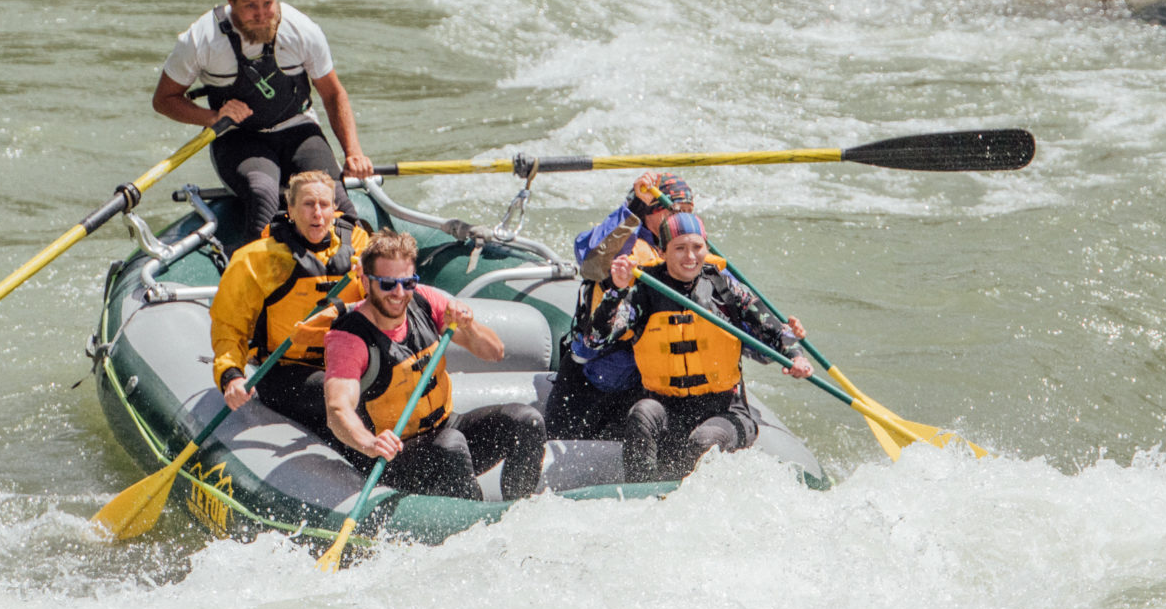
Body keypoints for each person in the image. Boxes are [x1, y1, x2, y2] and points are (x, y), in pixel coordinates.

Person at [582, 212, 813, 483]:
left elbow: (774, 330)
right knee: (642, 413)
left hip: (726, 410)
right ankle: (640, 493)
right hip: (667, 409)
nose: (690, 256)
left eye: (697, 247)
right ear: (663, 251)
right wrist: (617, 291)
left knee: (705, 440)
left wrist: (796, 356)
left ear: (706, 248)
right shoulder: (644, 290)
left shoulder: (725, 289)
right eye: (679, 248)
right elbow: (595, 338)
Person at [153, 0, 374, 235]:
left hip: (297, 129)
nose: (261, 14)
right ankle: (259, 269)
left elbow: (333, 94)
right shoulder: (200, 40)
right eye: (250, 6)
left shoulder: (302, 30)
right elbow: (164, 100)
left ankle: (355, 269)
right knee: (264, 191)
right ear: (230, 0)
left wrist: (353, 153)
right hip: (239, 137)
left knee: (330, 193)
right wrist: (213, 116)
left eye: (268, 3)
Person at [321, 230, 547, 502]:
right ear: (366, 283)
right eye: (387, 284)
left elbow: (494, 352)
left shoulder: (424, 301)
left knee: (526, 421)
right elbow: (337, 410)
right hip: (391, 456)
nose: (399, 293)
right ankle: (475, 525)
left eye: (407, 282)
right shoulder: (350, 338)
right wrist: (370, 444)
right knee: (450, 447)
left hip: (445, 430)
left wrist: (470, 327)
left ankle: (518, 507)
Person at [208, 170, 369, 432]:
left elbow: (391, 302)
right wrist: (231, 376)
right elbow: (229, 326)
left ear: (334, 209)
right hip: (285, 369)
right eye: (308, 204)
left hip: (350, 360)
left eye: (324, 205)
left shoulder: (360, 247)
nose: (317, 213)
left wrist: (373, 278)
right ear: (290, 210)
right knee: (340, 394)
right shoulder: (257, 259)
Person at [544, 171, 697, 440]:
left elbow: (726, 294)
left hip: (646, 381)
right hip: (594, 375)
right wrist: (636, 206)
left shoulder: (689, 252)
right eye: (676, 211)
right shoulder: (625, 240)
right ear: (651, 212)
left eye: (688, 211)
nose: (683, 219)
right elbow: (592, 259)